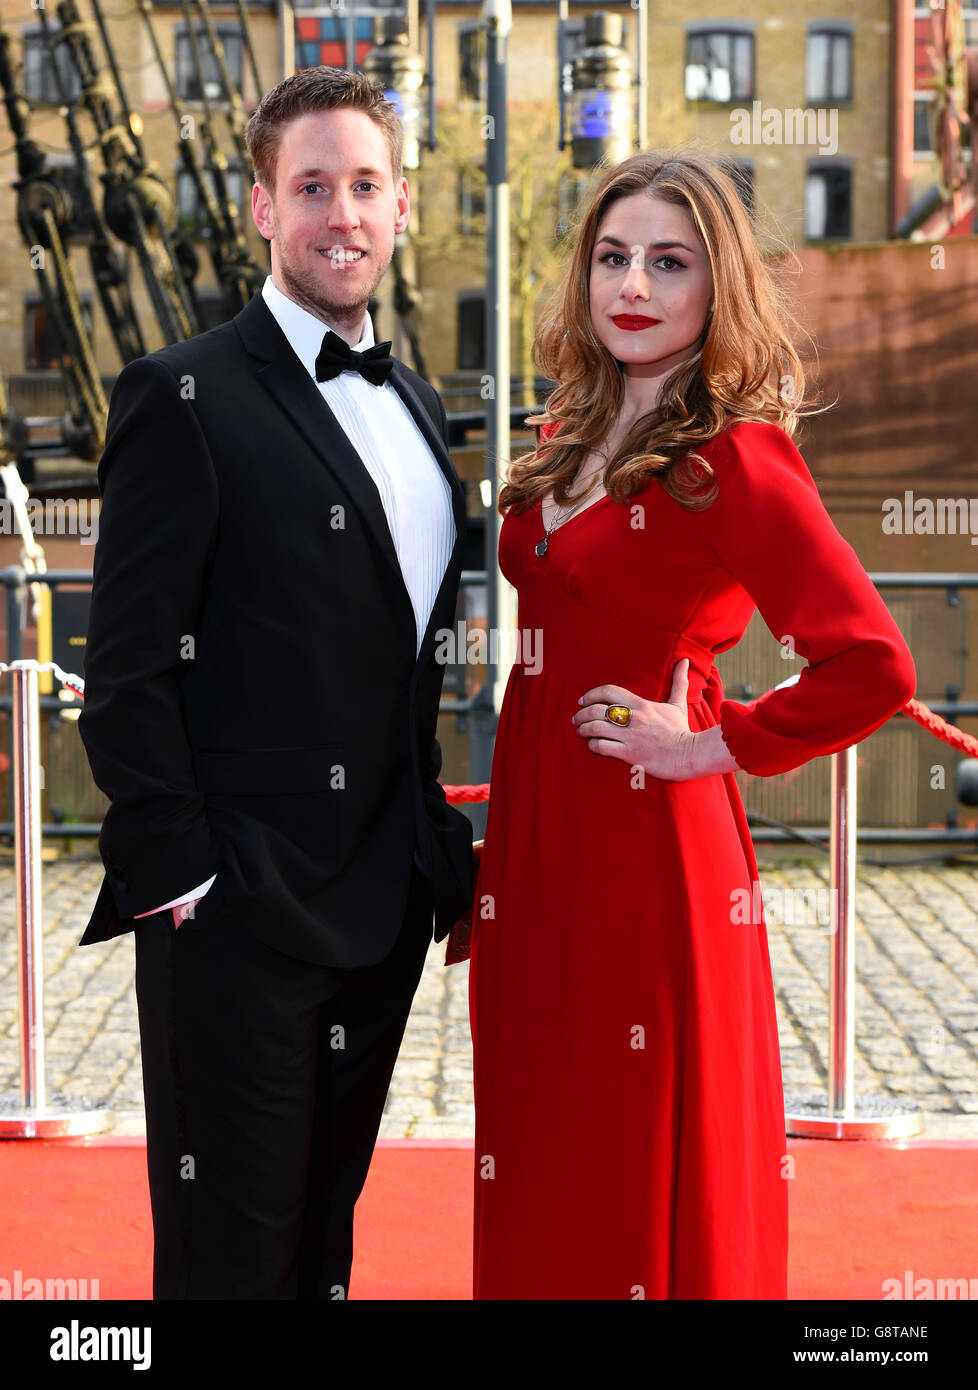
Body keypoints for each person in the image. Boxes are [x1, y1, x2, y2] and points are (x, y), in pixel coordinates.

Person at [462, 149, 917, 1299]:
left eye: (671, 262)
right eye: (614, 257)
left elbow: (872, 663)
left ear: (717, 287)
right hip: (539, 841)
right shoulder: (567, 431)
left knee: (636, 1139)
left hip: (652, 853)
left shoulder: (737, 458)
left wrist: (711, 742)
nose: (636, 285)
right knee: (543, 1126)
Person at [77, 66, 473, 1299]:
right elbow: (127, 670)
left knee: (321, 1238)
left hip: (380, 906)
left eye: (363, 185)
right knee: (227, 1256)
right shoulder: (180, 395)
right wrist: (187, 878)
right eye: (311, 187)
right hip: (238, 914)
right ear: (262, 207)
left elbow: (397, 661)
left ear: (403, 204)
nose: (339, 214)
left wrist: (431, 851)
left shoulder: (414, 402)